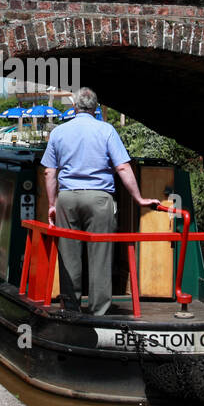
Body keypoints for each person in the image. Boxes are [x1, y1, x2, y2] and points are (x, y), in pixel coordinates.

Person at [42, 87, 159, 315]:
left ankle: (71, 309)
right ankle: (99, 312)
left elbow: (49, 172)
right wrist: (138, 198)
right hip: (99, 199)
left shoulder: (58, 133)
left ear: (74, 107)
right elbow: (123, 167)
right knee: (101, 255)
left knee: (69, 256)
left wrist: (52, 204)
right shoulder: (106, 130)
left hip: (67, 198)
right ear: (95, 107)